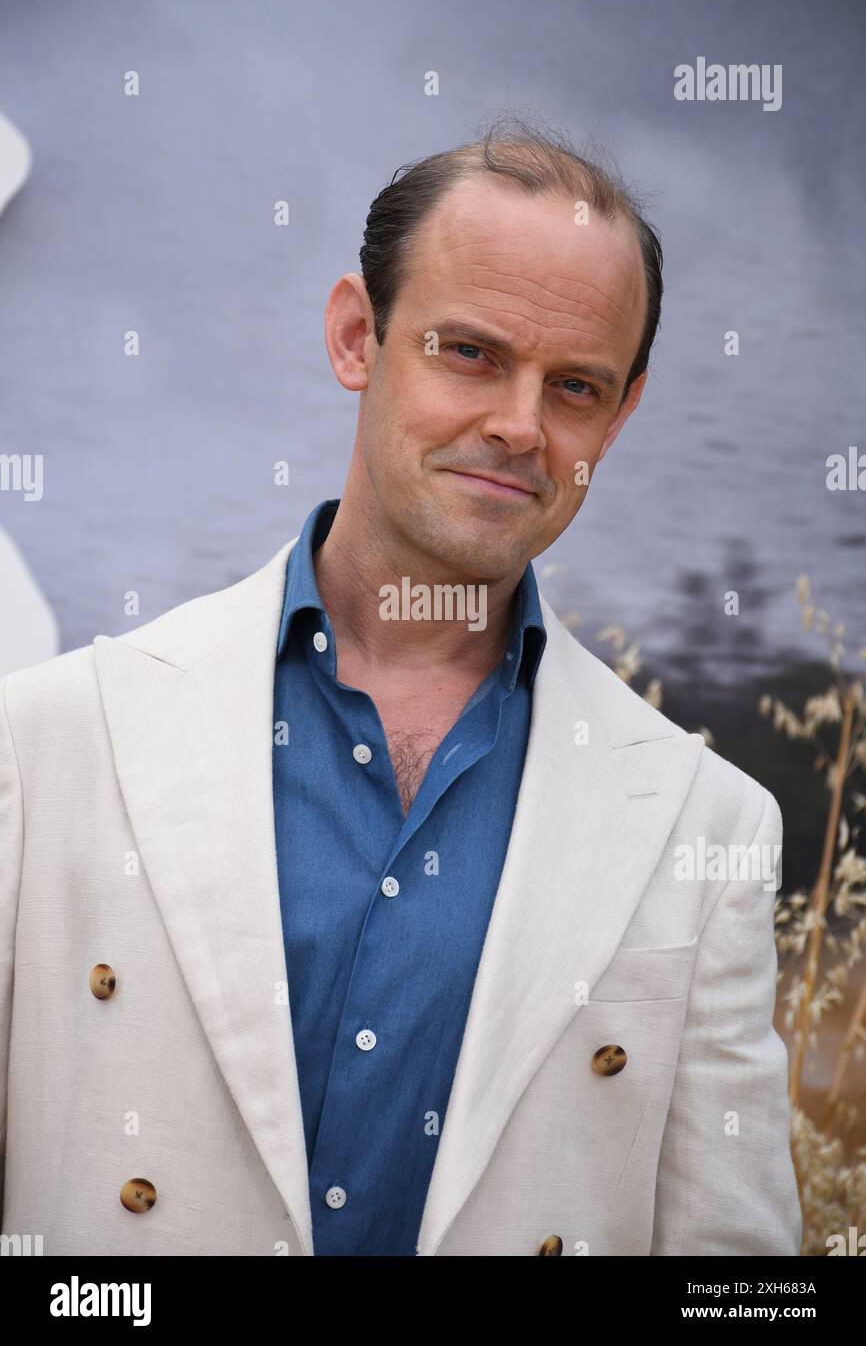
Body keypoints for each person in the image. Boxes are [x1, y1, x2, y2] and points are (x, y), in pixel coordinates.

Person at [0, 119, 802, 1256]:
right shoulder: (49, 743)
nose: (519, 426)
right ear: (354, 336)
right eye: (468, 352)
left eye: (573, 386)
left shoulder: (701, 825)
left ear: (618, 417)